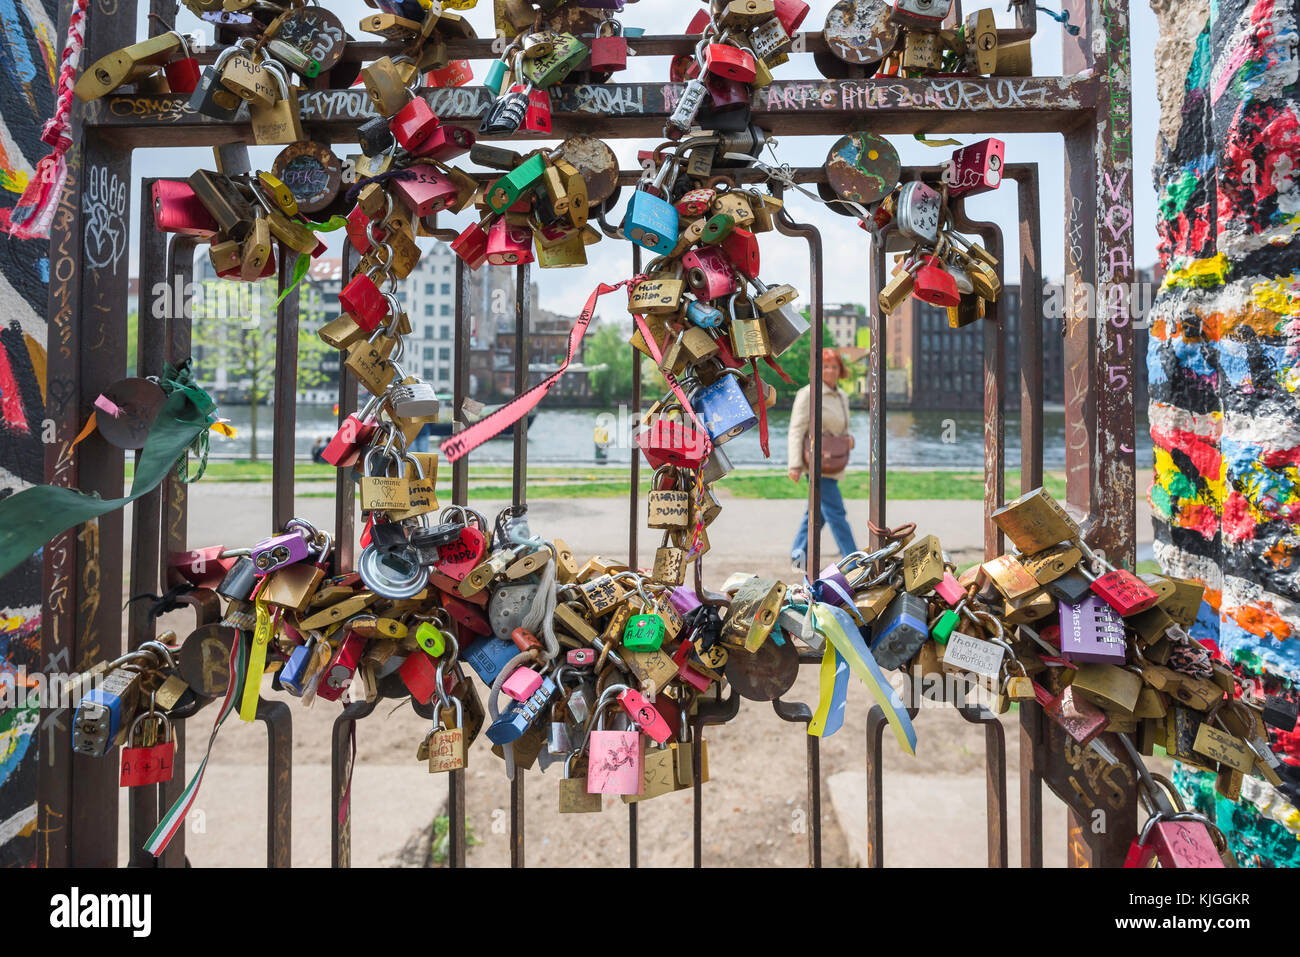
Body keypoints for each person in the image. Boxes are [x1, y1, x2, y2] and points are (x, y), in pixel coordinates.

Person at [787, 347, 859, 574]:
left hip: (834, 459)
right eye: (825, 366)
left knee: (816, 514)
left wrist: (848, 440)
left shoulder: (843, 396)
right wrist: (795, 464)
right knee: (836, 512)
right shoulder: (808, 394)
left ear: (840, 369)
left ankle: (798, 555)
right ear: (817, 370)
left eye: (834, 366)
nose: (830, 370)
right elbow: (796, 430)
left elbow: (842, 426)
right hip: (816, 462)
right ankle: (853, 560)